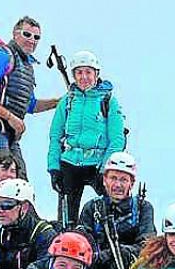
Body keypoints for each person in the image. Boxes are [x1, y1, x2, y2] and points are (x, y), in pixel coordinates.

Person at [0, 16, 60, 172]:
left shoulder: (27, 65)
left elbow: (30, 105)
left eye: (37, 37)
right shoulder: (2, 55)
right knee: (4, 175)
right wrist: (10, 117)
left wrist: (58, 102)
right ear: (15, 34)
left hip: (8, 128)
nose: (32, 40)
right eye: (27, 34)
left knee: (20, 179)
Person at [48, 49, 126, 227]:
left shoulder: (108, 101)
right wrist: (54, 168)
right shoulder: (67, 101)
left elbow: (117, 139)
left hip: (98, 165)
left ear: (96, 74)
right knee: (67, 220)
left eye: (88, 72)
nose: (84, 77)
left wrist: (105, 169)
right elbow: (55, 136)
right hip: (70, 163)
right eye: (79, 72)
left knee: (110, 213)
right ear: (74, 75)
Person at [74, 151, 155, 269]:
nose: (118, 185)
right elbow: (81, 242)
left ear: (132, 183)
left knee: (121, 258)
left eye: (124, 180)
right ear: (104, 180)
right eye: (113, 178)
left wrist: (112, 253)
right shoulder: (92, 208)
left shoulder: (143, 208)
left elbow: (147, 245)